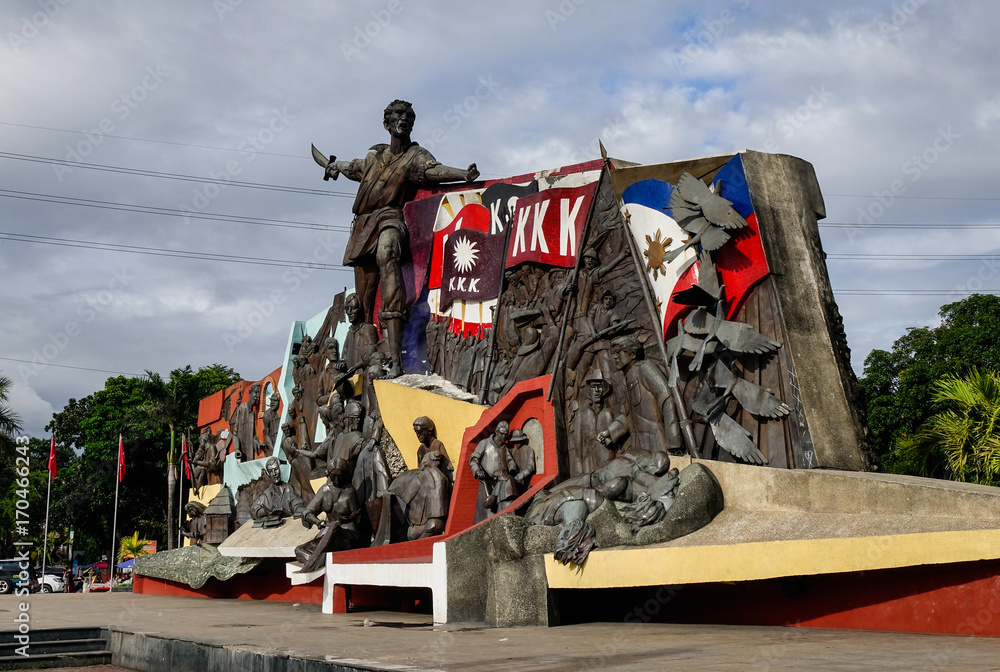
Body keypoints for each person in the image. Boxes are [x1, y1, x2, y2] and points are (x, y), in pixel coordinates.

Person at [320, 100, 480, 378]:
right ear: (387, 123)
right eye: (399, 115)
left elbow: (433, 171)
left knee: (387, 254)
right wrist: (334, 165)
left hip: (391, 218)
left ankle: (396, 360)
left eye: (409, 116)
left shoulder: (415, 155)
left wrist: (463, 175)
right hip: (363, 226)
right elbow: (351, 167)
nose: (404, 119)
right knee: (363, 303)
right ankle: (366, 362)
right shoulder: (374, 158)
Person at [598, 336, 682, 454]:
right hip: (638, 444)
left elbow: (667, 399)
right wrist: (609, 432)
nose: (615, 357)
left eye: (618, 352)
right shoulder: (625, 380)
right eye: (613, 354)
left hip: (657, 441)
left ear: (632, 354)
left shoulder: (645, 367)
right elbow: (626, 416)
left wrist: (674, 441)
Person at [469, 420, 518, 523]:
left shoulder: (504, 448)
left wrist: (512, 470)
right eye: (502, 433)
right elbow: (474, 459)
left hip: (501, 483)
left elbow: (510, 461)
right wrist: (478, 470)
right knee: (486, 516)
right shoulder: (485, 443)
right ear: (496, 432)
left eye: (506, 434)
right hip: (487, 482)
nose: (504, 436)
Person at [412, 416, 454, 482]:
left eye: (420, 432)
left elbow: (448, 468)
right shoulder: (420, 450)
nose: (418, 435)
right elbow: (420, 471)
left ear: (429, 431)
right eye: (416, 432)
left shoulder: (437, 445)